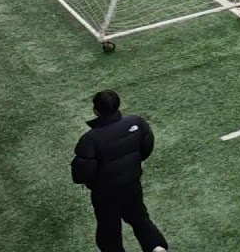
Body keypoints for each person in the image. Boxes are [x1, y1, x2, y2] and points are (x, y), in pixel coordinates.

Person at [71, 90, 169, 252]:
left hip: (105, 193)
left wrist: (92, 181)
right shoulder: (137, 122)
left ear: (96, 110)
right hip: (132, 184)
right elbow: (146, 148)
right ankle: (157, 248)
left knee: (109, 231)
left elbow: (80, 173)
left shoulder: (90, 139)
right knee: (140, 219)